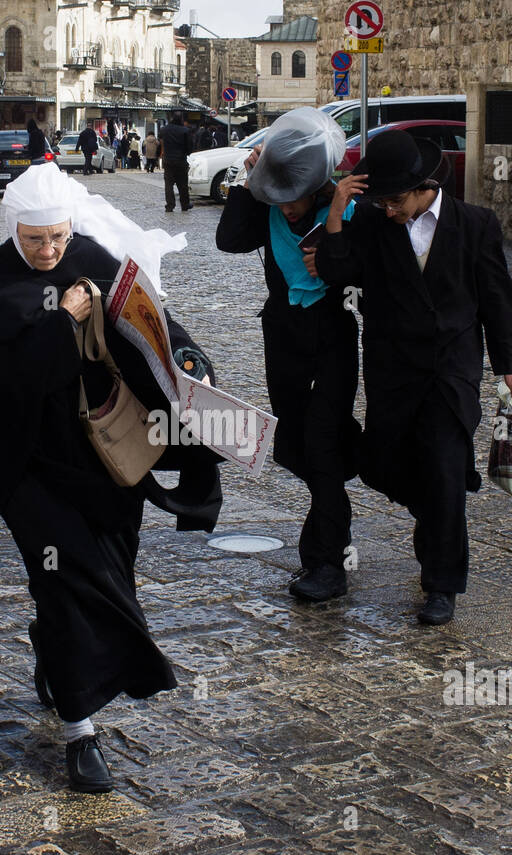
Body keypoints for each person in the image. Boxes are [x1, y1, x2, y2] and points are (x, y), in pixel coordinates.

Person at [0, 163, 222, 793]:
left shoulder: (94, 258)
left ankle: (54, 648)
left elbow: (149, 321)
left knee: (110, 568)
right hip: (29, 464)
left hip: (106, 459)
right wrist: (64, 320)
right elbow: (9, 380)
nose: (48, 251)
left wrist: (189, 361)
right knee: (67, 577)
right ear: (11, 232)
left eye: (57, 238)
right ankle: (81, 732)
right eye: (34, 240)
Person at [314, 131, 512, 626]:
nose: (389, 210)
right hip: (393, 369)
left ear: (422, 187)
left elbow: (497, 297)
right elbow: (332, 268)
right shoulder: (371, 222)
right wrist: (339, 208)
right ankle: (435, 512)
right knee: (381, 464)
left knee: (445, 468)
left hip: (452, 370)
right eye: (381, 201)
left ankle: (442, 585)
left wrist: (509, 365)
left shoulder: (476, 224)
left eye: (395, 201)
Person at [216, 108, 361, 602]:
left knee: (320, 445)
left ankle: (326, 561)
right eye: (279, 196)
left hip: (334, 339)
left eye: (295, 197)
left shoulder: (348, 210)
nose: (288, 208)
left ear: (319, 185)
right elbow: (228, 239)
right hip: (284, 338)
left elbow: (369, 277)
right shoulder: (268, 204)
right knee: (292, 447)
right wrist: (247, 176)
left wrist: (336, 230)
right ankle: (335, 499)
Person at [160, 111, 191, 212]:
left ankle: (170, 205)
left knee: (168, 184)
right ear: (181, 119)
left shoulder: (164, 130)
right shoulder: (185, 130)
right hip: (181, 160)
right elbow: (189, 147)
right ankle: (185, 204)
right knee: (183, 184)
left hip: (168, 160)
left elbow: (161, 142)